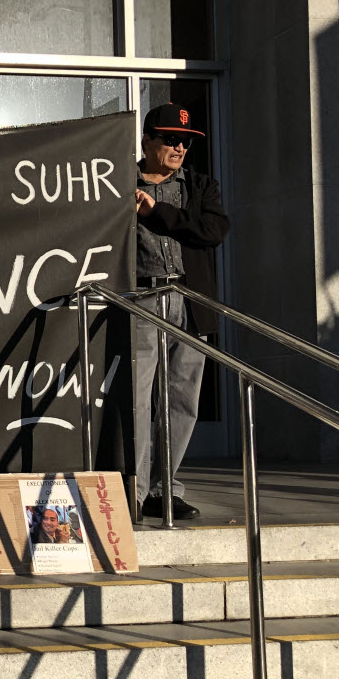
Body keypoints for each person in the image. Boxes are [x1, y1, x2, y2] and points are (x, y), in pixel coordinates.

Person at [133, 103, 230, 521]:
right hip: (139, 300)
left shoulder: (200, 185)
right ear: (147, 140)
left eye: (186, 141)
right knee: (137, 400)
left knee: (182, 400)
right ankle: (133, 493)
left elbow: (212, 232)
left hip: (190, 303)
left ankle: (163, 488)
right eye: (170, 139)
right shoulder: (118, 183)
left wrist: (157, 212)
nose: (179, 147)